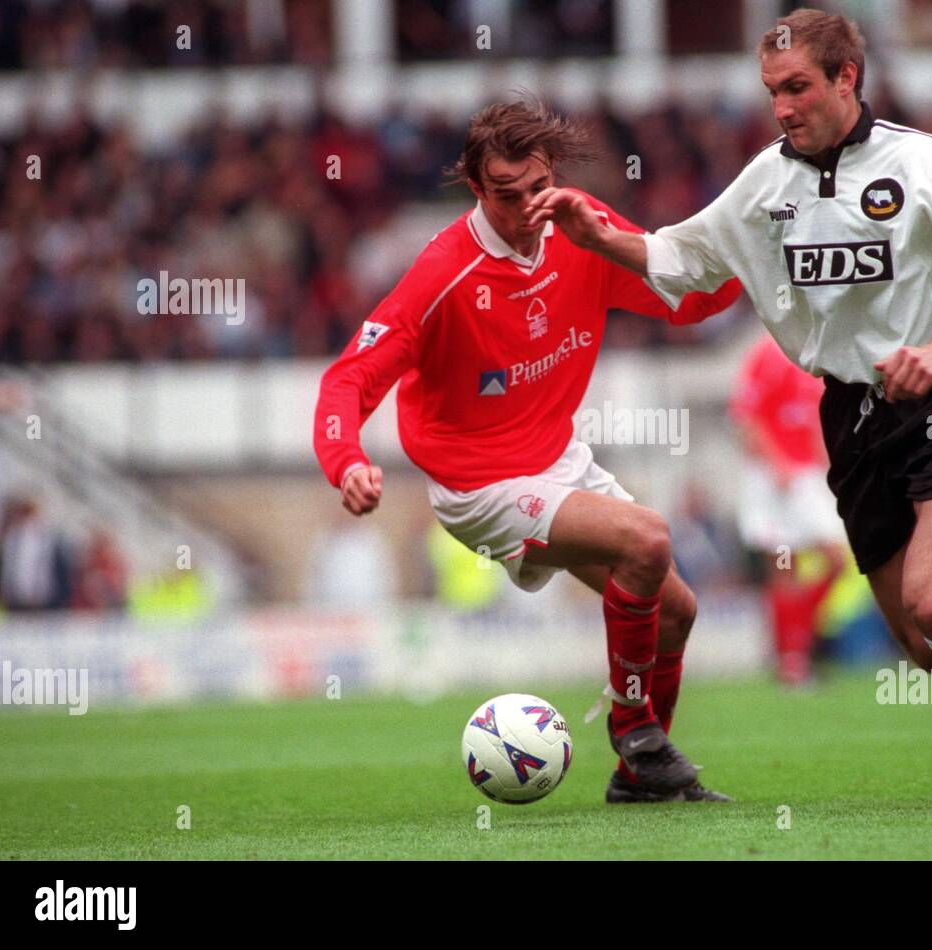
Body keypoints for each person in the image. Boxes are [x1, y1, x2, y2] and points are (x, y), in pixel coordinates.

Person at [528, 8, 932, 810]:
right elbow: (678, 257)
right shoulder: (762, 186)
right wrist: (592, 231)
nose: (781, 107)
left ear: (848, 77)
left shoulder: (924, 166)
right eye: (772, 90)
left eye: (798, 87)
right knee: (924, 645)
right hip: (851, 417)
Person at [313, 100, 742, 804]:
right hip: (478, 483)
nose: (524, 207)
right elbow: (349, 377)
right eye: (505, 194)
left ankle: (641, 781)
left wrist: (755, 262)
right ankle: (632, 727)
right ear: (478, 190)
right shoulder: (443, 272)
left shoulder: (582, 228)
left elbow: (687, 300)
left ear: (553, 175)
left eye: (535, 188)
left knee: (677, 611)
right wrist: (347, 461)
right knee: (648, 538)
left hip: (558, 460)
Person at [730, 334, 847, 686]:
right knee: (784, 566)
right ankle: (792, 661)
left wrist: (829, 468)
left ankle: (794, 646)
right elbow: (747, 415)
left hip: (806, 476)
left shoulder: (816, 350)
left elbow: (813, 419)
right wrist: (775, 462)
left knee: (835, 559)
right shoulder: (768, 351)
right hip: (774, 478)